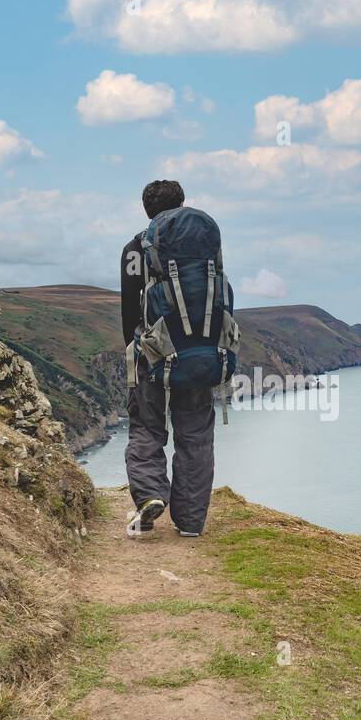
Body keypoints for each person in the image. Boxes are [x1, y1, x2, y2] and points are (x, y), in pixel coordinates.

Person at [120, 180, 216, 538]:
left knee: (147, 426)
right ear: (182, 203)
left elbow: (130, 307)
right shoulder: (205, 247)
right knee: (195, 435)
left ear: (146, 209)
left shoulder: (134, 248)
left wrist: (133, 348)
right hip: (201, 353)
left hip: (151, 353)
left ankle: (149, 495)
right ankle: (191, 522)